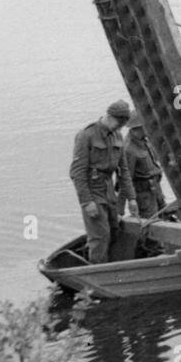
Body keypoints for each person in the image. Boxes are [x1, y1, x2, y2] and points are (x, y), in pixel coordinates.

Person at [70, 100, 136, 263]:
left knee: (115, 229)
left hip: (109, 191)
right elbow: (77, 172)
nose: (119, 127)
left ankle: (110, 266)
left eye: (122, 124)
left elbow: (124, 171)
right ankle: (96, 270)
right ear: (109, 116)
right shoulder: (87, 135)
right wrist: (87, 202)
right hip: (93, 191)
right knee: (101, 235)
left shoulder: (117, 136)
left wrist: (131, 198)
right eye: (117, 122)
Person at [125, 117, 166, 218]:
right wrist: (130, 200)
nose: (147, 129)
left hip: (155, 188)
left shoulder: (144, 140)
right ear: (136, 129)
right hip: (144, 195)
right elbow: (126, 178)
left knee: (163, 214)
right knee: (150, 220)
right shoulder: (129, 149)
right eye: (144, 127)